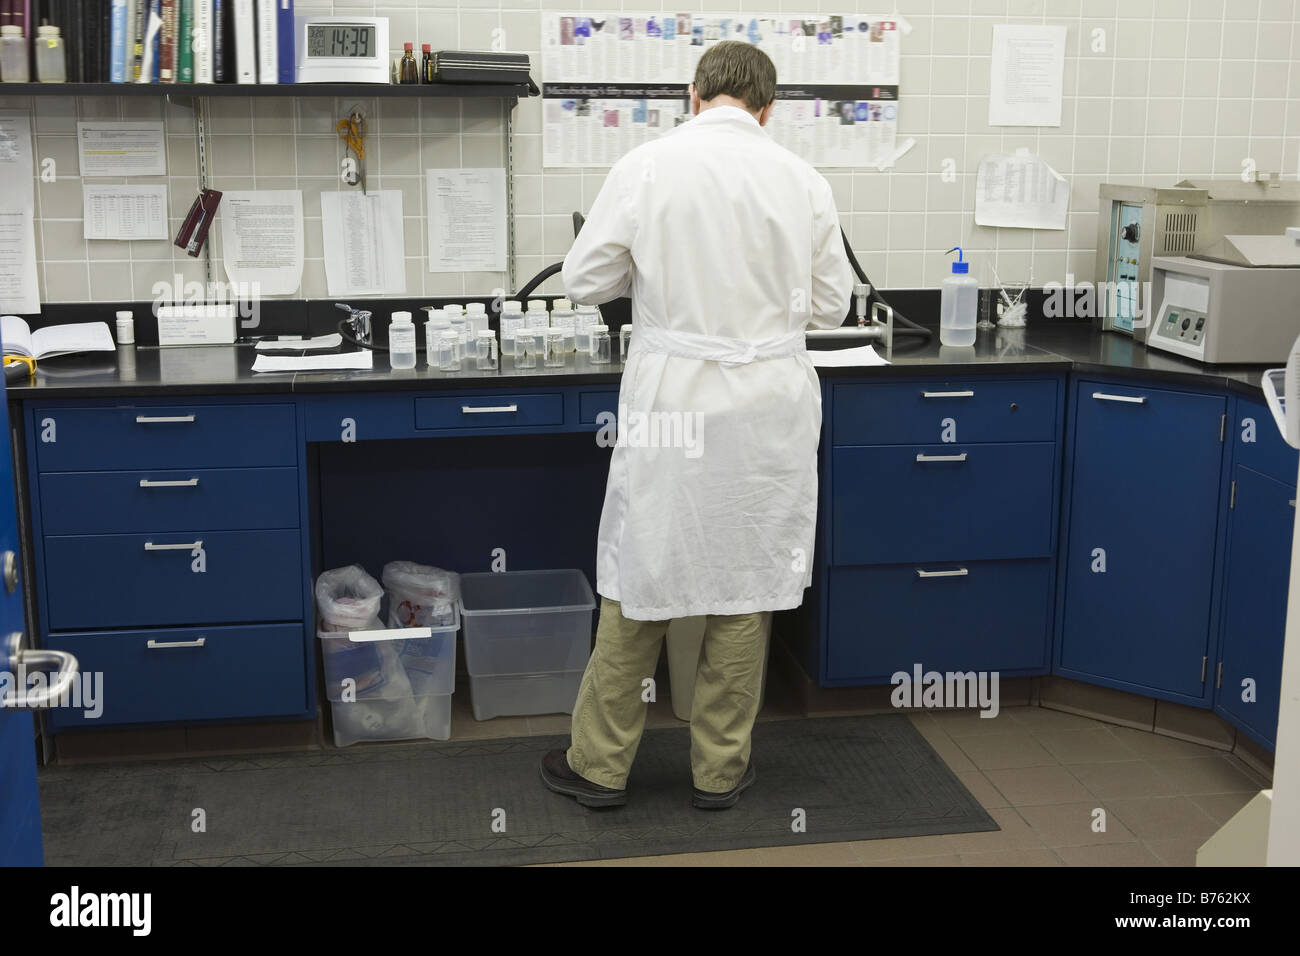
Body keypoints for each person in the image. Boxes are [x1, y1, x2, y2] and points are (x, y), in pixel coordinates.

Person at [541, 40, 853, 810]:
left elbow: (583, 280)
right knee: (743, 581)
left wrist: (651, 275)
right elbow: (831, 307)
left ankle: (600, 766)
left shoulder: (647, 166)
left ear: (693, 94)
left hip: (674, 398)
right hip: (767, 407)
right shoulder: (803, 180)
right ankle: (719, 771)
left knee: (643, 572)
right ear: (767, 107)